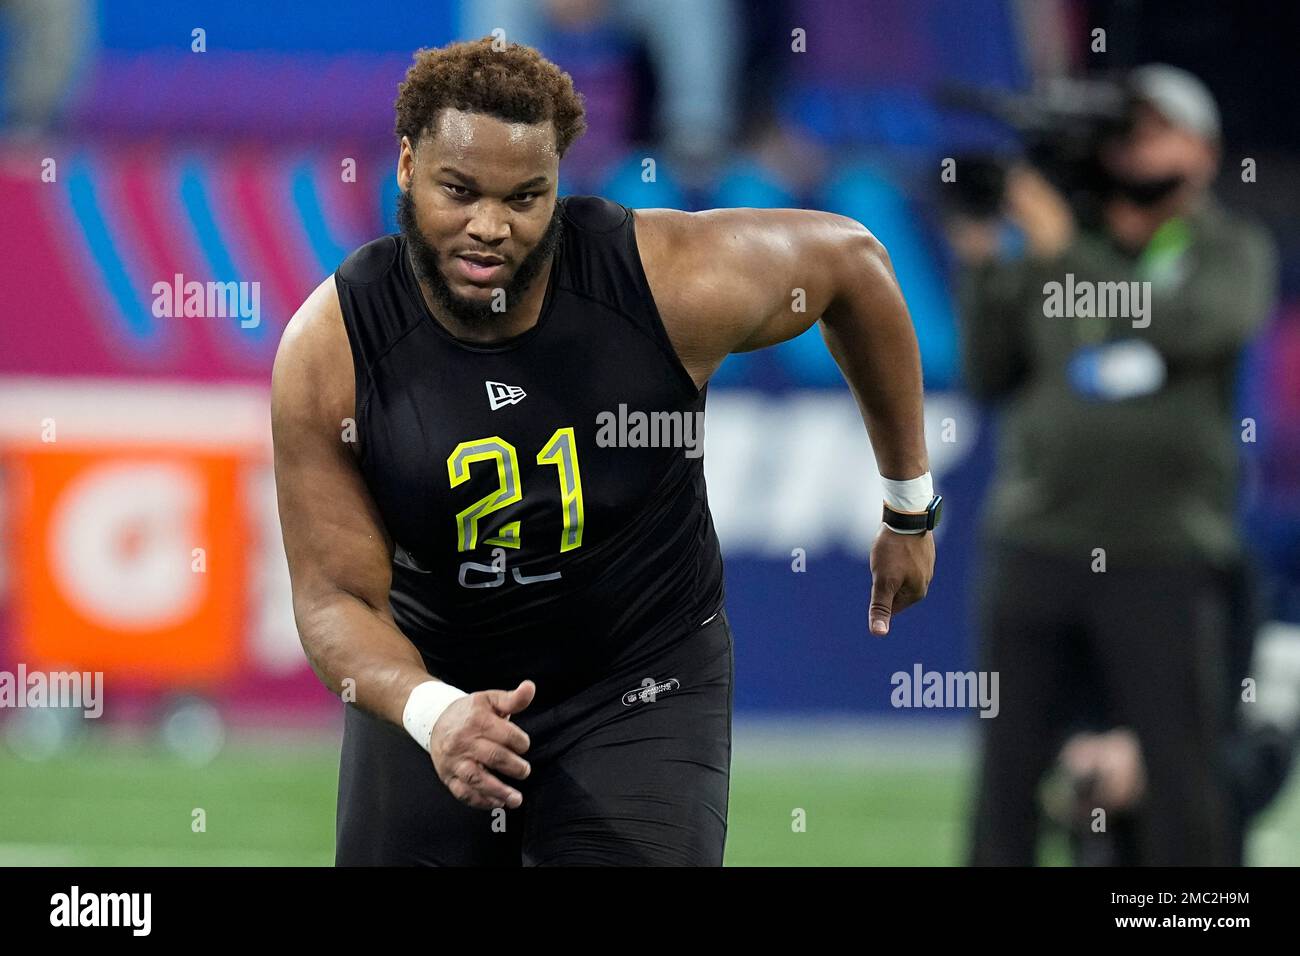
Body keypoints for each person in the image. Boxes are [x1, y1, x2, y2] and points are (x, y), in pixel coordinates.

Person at [271, 37, 937, 866]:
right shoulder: (334, 347)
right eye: (459, 191)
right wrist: (432, 710)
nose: (489, 227)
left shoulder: (658, 282)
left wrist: (910, 503)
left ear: (561, 186)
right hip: (438, 676)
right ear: (406, 167)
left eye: (525, 197)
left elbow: (853, 266)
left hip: (638, 680)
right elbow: (336, 601)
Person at [953, 64, 1279, 865]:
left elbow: (1185, 327)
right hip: (1037, 540)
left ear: (1204, 150)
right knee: (1008, 773)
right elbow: (990, 371)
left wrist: (1059, 251)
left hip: (1166, 551)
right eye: (1121, 132)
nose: (1131, 149)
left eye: (1151, 130)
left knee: (1180, 775)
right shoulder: (1060, 245)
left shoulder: (1229, 250)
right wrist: (989, 261)